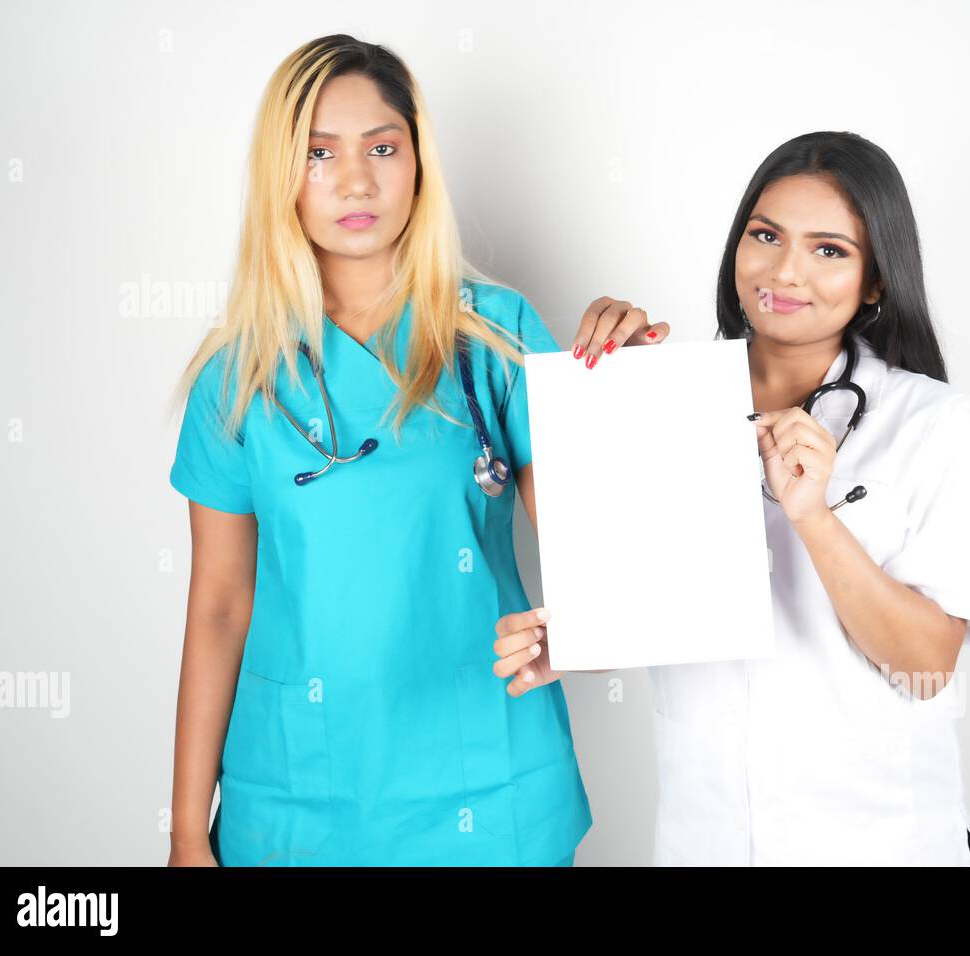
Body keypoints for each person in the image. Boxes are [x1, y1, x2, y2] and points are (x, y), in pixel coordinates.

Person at [165, 34, 669, 867]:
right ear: (280, 174)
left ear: (418, 163)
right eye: (318, 153)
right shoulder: (239, 376)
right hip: (295, 796)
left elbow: (600, 574)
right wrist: (187, 834)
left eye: (382, 148)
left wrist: (630, 397)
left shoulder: (498, 337)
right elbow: (219, 607)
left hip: (485, 783)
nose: (355, 180)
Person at [492, 131, 970, 866]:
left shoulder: (931, 422)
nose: (786, 270)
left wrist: (814, 518)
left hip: (885, 843)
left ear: (876, 280)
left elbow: (928, 664)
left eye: (829, 250)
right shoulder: (659, 402)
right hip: (710, 841)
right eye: (766, 236)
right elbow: (652, 609)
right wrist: (573, 642)